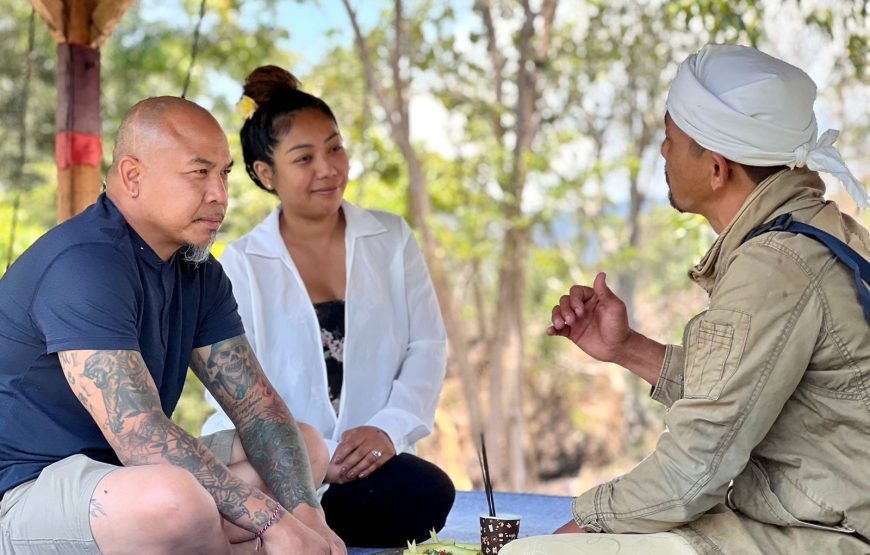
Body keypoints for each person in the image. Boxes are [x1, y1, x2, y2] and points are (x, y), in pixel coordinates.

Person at [503, 44, 870, 555]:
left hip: (823, 535)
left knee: (537, 553)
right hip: (816, 517)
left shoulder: (775, 265)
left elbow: (690, 474)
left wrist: (579, 526)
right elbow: (748, 392)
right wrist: (626, 347)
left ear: (717, 169)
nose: (662, 153)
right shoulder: (816, 233)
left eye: (670, 140)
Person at [0, 97, 346, 555]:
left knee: (304, 448)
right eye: (199, 173)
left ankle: (198, 540)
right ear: (132, 176)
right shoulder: (83, 264)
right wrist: (272, 521)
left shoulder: (197, 270)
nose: (219, 194)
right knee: (178, 504)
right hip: (25, 488)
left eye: (223, 174)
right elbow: (141, 436)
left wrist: (307, 518)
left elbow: (256, 409)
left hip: (125, 480)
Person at [200, 65, 455, 547]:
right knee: (226, 490)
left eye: (335, 147)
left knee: (428, 492)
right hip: (276, 463)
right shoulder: (242, 262)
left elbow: (427, 345)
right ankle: (279, 520)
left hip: (372, 466)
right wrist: (316, 454)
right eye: (304, 158)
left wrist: (387, 431)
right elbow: (230, 388)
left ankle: (274, 531)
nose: (328, 168)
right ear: (264, 173)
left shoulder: (391, 238)